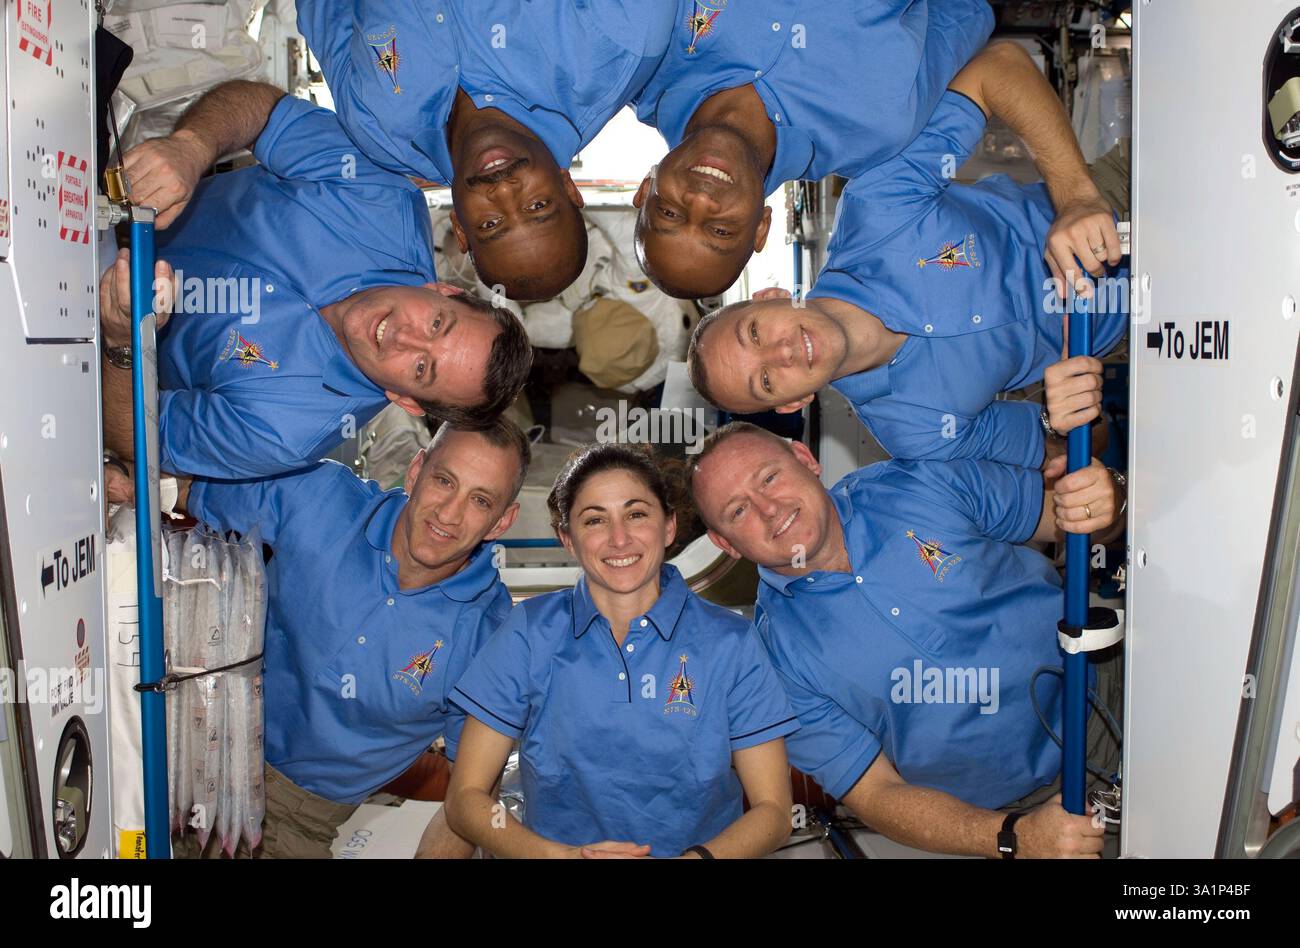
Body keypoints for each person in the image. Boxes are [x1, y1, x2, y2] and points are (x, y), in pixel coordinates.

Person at [689, 423, 1127, 858]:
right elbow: (875, 794)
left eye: (769, 477)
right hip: (1033, 811)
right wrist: (1016, 837)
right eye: (738, 511)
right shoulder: (773, 661)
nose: (768, 508)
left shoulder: (922, 481)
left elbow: (1078, 521)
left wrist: (1111, 502)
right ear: (725, 544)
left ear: (805, 460)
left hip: (1119, 684)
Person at [684, 47, 1130, 468]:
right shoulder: (915, 433)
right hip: (1142, 331)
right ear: (790, 403)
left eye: (756, 333)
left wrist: (1074, 197)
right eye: (765, 382)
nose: (781, 354)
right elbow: (1083, 444)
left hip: (1121, 201)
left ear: (771, 295)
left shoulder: (874, 210)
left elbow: (998, 67)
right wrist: (1062, 417)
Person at [100, 81, 531, 480]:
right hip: (104, 197)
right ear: (444, 291)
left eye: (422, 369)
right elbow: (266, 113)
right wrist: (192, 148)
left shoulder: (287, 433)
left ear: (408, 402)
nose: (404, 338)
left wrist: (122, 344)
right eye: (437, 324)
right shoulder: (382, 197)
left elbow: (139, 440)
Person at [167, 419, 531, 858]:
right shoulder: (323, 497)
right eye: (443, 480)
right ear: (416, 471)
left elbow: (469, 797)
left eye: (480, 500)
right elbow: (182, 489)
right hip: (181, 751)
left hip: (295, 820)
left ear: (502, 521)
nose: (449, 514)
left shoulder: (491, 637)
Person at [444, 443, 797, 858]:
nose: (618, 538)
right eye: (595, 520)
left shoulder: (731, 643)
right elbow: (465, 799)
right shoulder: (529, 633)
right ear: (568, 539)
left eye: (636, 514)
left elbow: (774, 812)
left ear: (669, 526)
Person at [631, 9, 1115, 300]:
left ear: (645, 190)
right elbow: (969, 21)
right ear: (761, 226)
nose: (700, 200)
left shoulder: (644, 53)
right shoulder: (877, 127)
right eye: (720, 229)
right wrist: (1074, 195)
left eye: (670, 211)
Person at [296, 0, 677, 301]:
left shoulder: (380, 132)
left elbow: (325, 11)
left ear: (459, 228)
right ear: (568, 188)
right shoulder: (619, 43)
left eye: (491, 224)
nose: (504, 190)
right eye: (537, 206)